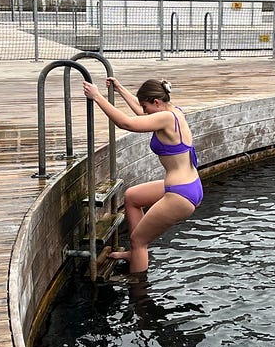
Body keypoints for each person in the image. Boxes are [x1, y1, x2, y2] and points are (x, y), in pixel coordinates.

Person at [82, 77, 202, 274]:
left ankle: (139, 291)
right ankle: (136, 252)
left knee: (139, 241)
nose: (144, 111)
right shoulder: (174, 112)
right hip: (189, 185)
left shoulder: (166, 118)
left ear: (156, 102)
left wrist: (97, 97)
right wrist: (120, 89)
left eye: (146, 106)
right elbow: (140, 113)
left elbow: (126, 123)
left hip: (180, 194)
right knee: (132, 197)